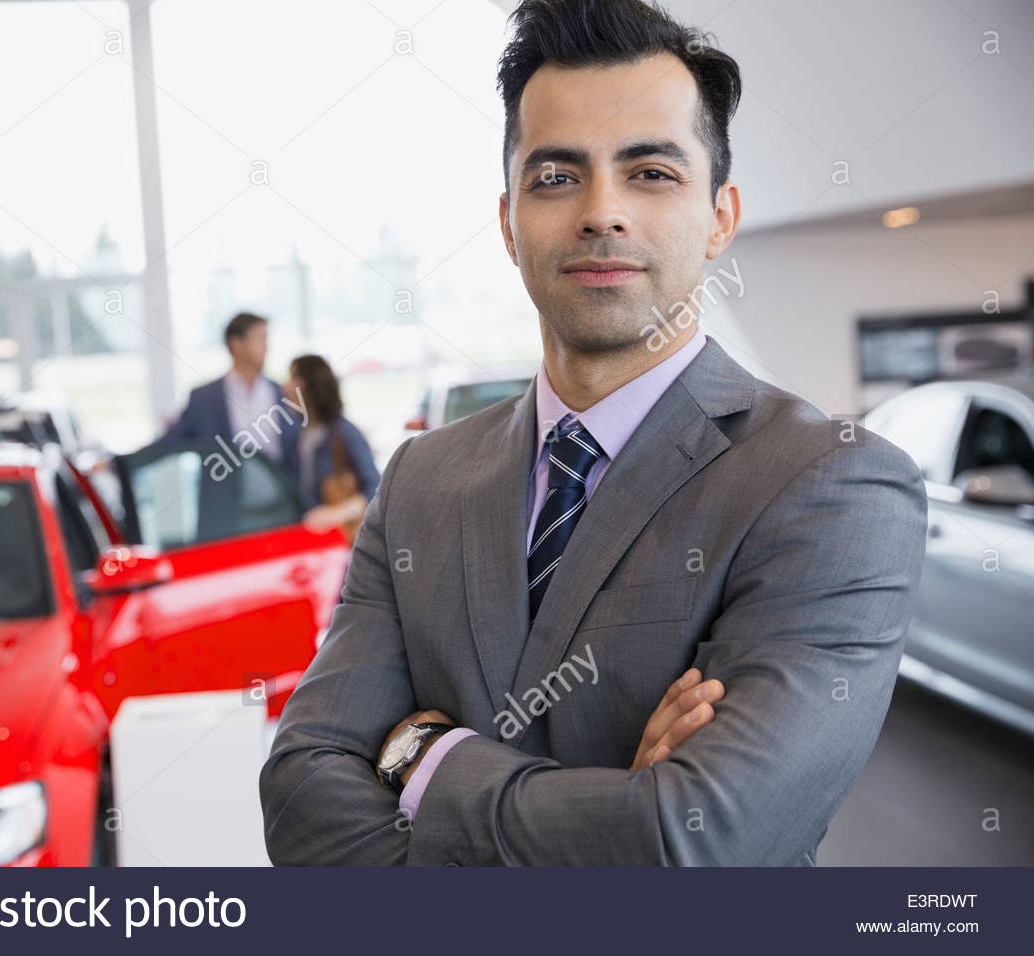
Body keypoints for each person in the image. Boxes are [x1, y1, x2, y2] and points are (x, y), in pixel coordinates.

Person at [260, 0, 927, 866]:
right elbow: (301, 800)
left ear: (720, 218)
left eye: (650, 173)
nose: (601, 212)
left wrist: (427, 759)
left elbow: (695, 837)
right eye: (556, 177)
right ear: (508, 223)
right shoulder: (421, 481)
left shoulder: (832, 486)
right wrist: (617, 807)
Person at [162, 312, 300, 477]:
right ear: (236, 344)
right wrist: (127, 461)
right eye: (259, 339)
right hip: (226, 498)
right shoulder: (203, 398)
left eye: (266, 339)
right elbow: (169, 442)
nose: (266, 346)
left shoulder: (282, 393)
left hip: (280, 496)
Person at [285, 354, 380, 541]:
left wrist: (337, 513)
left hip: (343, 542)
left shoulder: (345, 432)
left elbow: (376, 489)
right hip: (312, 538)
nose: (286, 387)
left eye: (293, 378)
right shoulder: (297, 433)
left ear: (310, 386)